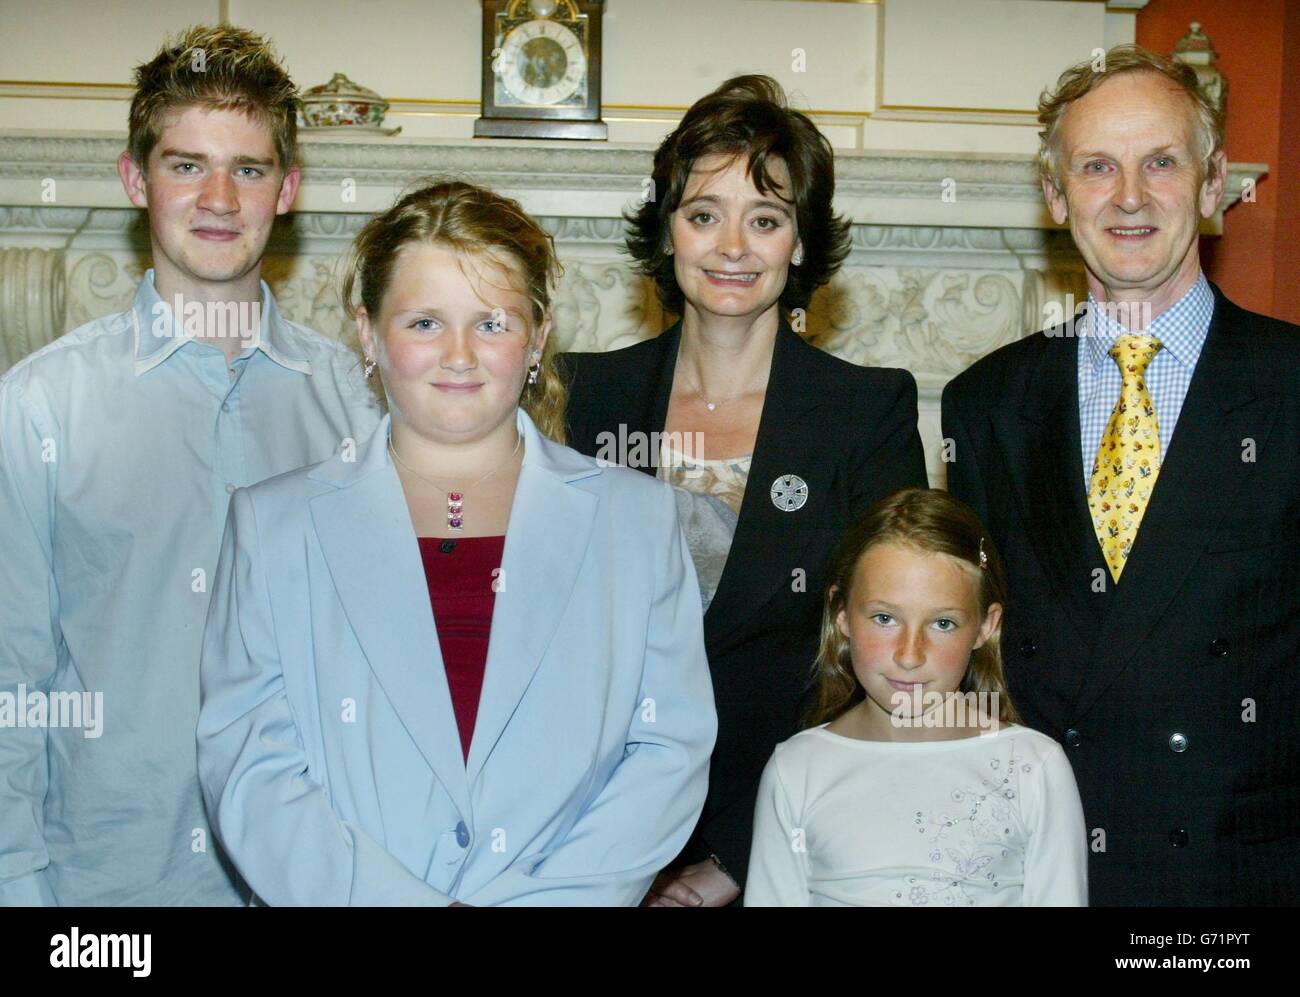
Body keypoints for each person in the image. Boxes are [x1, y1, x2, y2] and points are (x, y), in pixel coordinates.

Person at [195, 180, 717, 906]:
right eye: (425, 324)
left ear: (537, 336)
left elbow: (666, 752)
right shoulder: (272, 526)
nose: (461, 355)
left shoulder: (639, 521)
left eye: (493, 323)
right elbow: (251, 770)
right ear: (370, 334)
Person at [0, 25, 381, 905]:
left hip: (313, 878)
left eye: (247, 169)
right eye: (185, 165)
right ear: (136, 180)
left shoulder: (356, 403)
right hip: (108, 889)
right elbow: (11, 679)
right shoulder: (38, 408)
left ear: (286, 190)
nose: (218, 197)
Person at [942, 45, 1300, 905]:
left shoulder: (1289, 385)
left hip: (1239, 881)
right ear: (1057, 196)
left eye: (1161, 163)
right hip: (1044, 867)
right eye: (1097, 167)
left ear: (1213, 185)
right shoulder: (984, 403)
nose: (1130, 197)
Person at [561, 75, 928, 905]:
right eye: (704, 215)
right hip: (590, 843)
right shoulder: (580, 397)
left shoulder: (865, 415)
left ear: (799, 244)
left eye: (765, 219)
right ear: (668, 232)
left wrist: (734, 859)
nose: (733, 247)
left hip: (790, 847)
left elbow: (896, 664)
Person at [745, 488, 1087, 906]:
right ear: (841, 615)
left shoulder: (1034, 768)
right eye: (885, 618)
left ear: (985, 626)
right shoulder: (796, 769)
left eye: (942, 623)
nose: (909, 655)